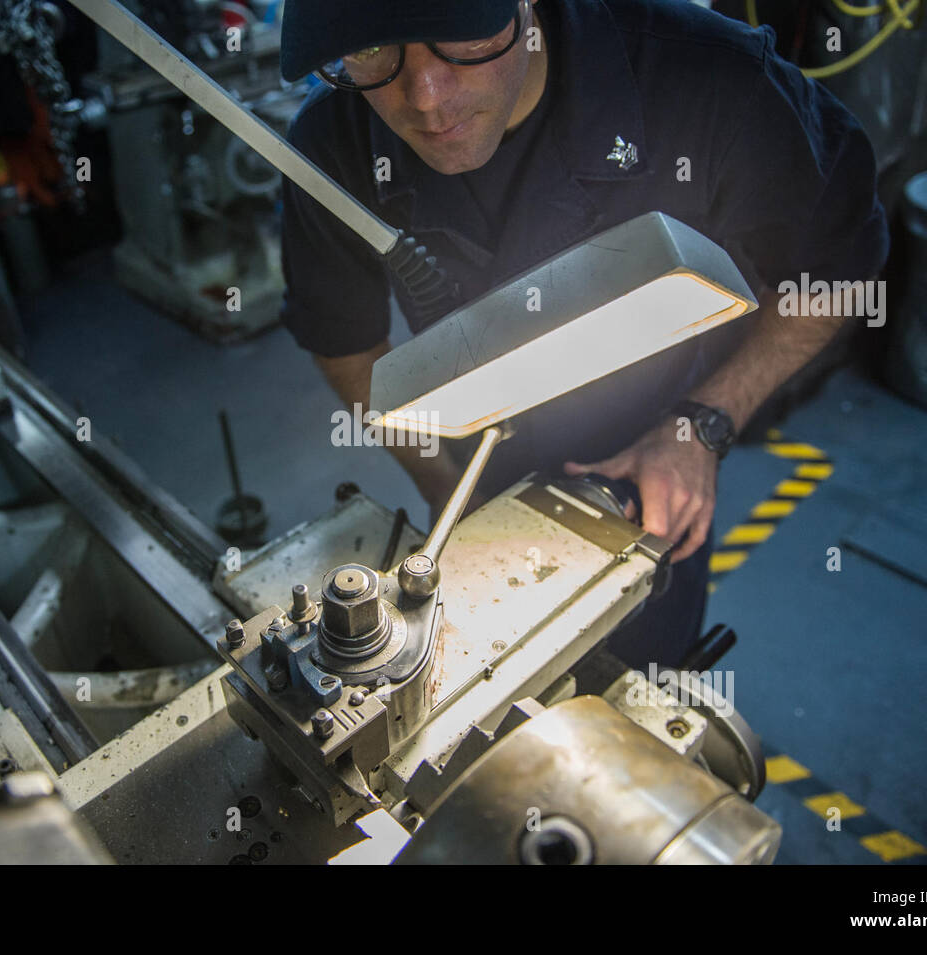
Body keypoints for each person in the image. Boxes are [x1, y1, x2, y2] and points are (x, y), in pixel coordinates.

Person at [276, 0, 888, 673]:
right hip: (475, 455)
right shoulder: (332, 140)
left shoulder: (709, 79)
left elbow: (836, 272)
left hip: (654, 457)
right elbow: (347, 345)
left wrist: (702, 426)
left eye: (459, 37)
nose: (424, 97)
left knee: (639, 685)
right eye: (372, 50)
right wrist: (443, 483)